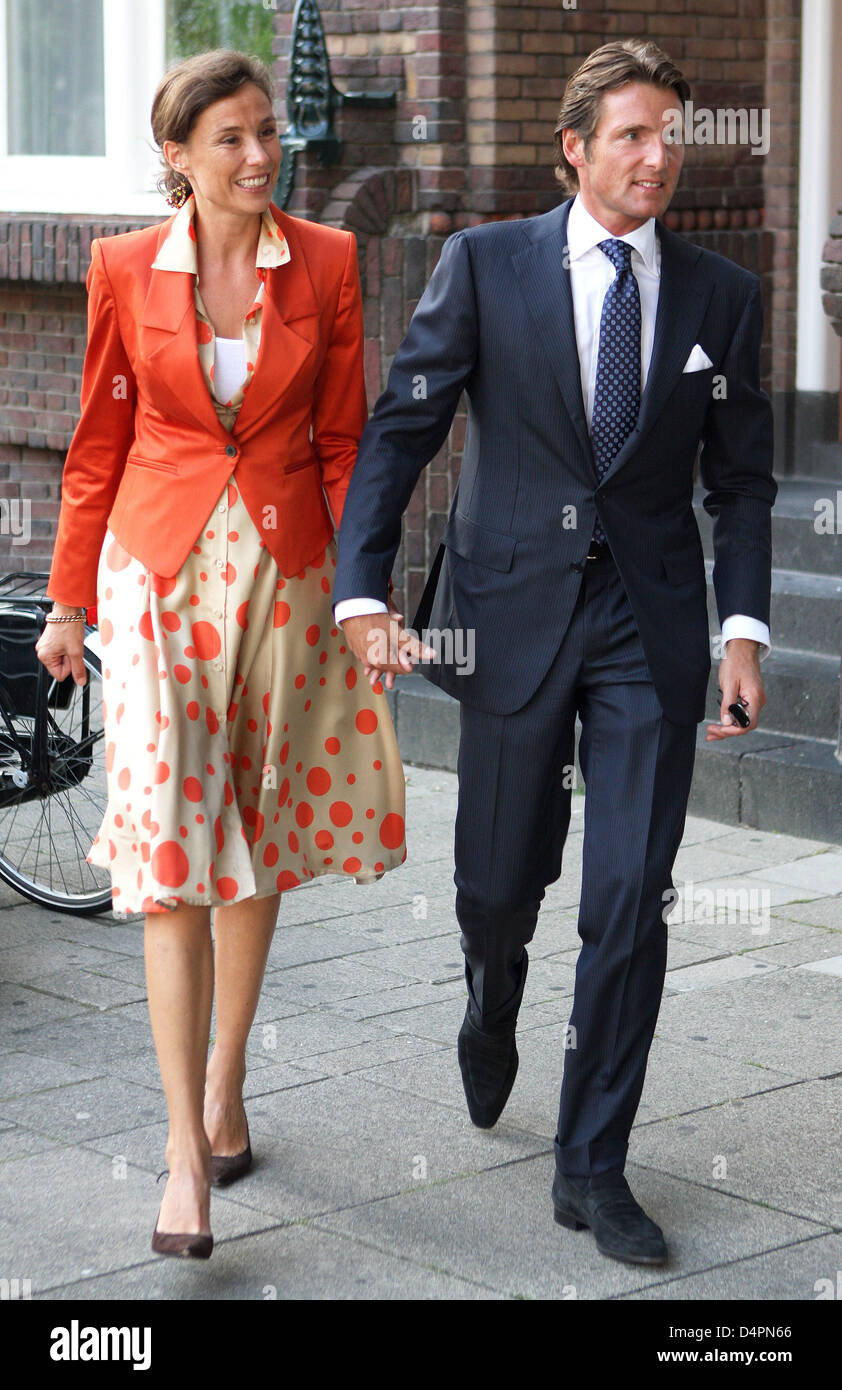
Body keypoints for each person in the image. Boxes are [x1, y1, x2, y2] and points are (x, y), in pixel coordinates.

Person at [333, 38, 776, 1267]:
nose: (658, 157)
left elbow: (740, 483)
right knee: (494, 882)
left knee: (632, 896)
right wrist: (358, 589)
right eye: (632, 135)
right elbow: (402, 428)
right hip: (511, 614)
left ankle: (593, 1164)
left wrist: (739, 630)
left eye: (671, 135)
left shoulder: (718, 296)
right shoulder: (483, 266)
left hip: (649, 627)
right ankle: (489, 991)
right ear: (574, 147)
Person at [36, 49, 406, 1260]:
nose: (261, 157)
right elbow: (96, 444)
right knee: (169, 847)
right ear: (179, 158)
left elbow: (345, 440)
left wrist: (360, 593)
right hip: (155, 583)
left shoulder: (333, 263)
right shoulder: (121, 269)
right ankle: (183, 1158)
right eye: (233, 139)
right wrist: (65, 604)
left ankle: (225, 1082)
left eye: (267, 136)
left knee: (254, 834)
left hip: (288, 582)